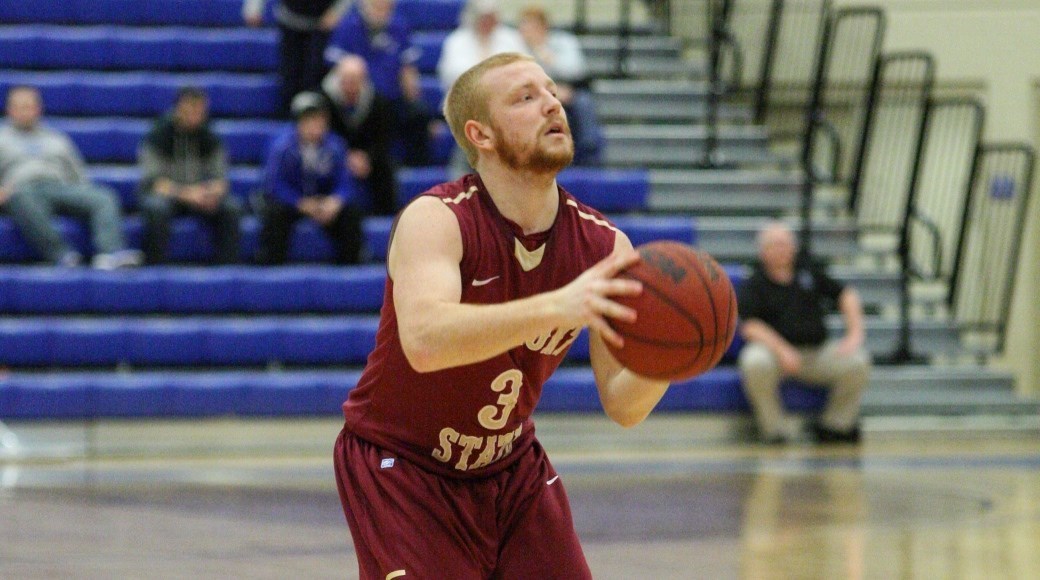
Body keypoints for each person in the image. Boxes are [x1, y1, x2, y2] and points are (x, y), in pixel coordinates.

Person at [333, 52, 673, 578]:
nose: (551, 105)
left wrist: (671, 356)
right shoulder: (437, 219)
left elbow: (623, 404)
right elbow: (425, 341)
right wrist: (556, 305)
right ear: (481, 135)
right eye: (525, 98)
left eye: (552, 91)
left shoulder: (605, 246)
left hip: (511, 468)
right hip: (403, 467)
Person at [737, 221, 871, 445]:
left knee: (858, 362)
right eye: (774, 245)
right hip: (776, 356)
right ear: (763, 251)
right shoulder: (755, 282)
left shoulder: (809, 270)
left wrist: (855, 334)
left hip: (817, 352)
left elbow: (846, 295)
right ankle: (775, 431)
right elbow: (750, 326)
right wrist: (782, 350)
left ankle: (834, 426)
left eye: (785, 244)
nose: (781, 250)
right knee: (754, 361)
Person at [0, 86, 142, 269]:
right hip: (22, 189)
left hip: (59, 187)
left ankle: (111, 253)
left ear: (38, 109)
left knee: (103, 197)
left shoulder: (56, 138)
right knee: (22, 197)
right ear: (9, 110)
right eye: (20, 107)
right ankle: (62, 256)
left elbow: (77, 174)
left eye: (29, 106)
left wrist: (81, 191)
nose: (25, 112)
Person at [256, 91, 363, 265]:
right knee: (275, 215)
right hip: (294, 203)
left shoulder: (335, 146)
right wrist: (300, 203)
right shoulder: (282, 147)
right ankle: (272, 264)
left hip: (324, 202)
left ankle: (350, 265)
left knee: (351, 214)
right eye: (309, 119)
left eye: (319, 119)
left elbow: (345, 181)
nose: (315, 125)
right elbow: (274, 184)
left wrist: (335, 201)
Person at [137, 87, 243, 264]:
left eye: (199, 111)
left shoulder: (210, 137)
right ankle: (156, 266)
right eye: (190, 110)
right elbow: (154, 183)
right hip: (169, 196)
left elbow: (221, 180)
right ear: (178, 109)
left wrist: (211, 192)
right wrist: (187, 194)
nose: (195, 116)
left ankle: (226, 267)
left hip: (201, 195)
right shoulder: (157, 136)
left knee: (232, 208)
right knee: (156, 208)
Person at [436, 0, 528, 176]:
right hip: (467, 104)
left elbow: (524, 71)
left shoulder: (511, 39)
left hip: (508, 103)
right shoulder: (457, 40)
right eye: (483, 17)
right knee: (475, 122)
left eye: (490, 17)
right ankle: (461, 175)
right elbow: (453, 75)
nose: (487, 22)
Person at [518, 5, 605, 165]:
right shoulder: (518, 47)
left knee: (583, 102)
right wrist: (552, 92)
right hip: (537, 95)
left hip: (569, 90)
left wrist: (543, 51)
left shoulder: (564, 41)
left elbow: (576, 68)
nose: (527, 30)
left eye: (531, 25)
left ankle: (590, 155)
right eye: (524, 25)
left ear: (543, 25)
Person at [320, 55, 398, 216]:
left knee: (385, 167)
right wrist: (345, 156)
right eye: (346, 80)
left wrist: (367, 157)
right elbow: (322, 134)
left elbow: (382, 138)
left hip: (365, 155)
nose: (350, 85)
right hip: (333, 153)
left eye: (354, 80)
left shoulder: (377, 101)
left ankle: (387, 217)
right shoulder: (323, 100)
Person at [242, 0, 350, 116]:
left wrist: (337, 12)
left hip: (321, 26)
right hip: (290, 21)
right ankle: (289, 118)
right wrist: (253, 7)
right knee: (289, 80)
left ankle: (311, 120)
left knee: (313, 80)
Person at [323, 0, 418, 104]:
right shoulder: (348, 25)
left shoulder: (399, 26)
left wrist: (412, 98)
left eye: (386, 8)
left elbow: (408, 67)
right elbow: (333, 59)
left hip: (391, 96)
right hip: (358, 98)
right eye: (377, 8)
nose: (381, 13)